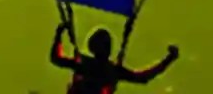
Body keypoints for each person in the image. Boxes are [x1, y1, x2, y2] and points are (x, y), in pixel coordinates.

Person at [49, 22, 179, 93]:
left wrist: (59, 35)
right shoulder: (113, 71)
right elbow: (143, 77)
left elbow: (55, 58)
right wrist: (168, 59)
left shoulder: (83, 64)